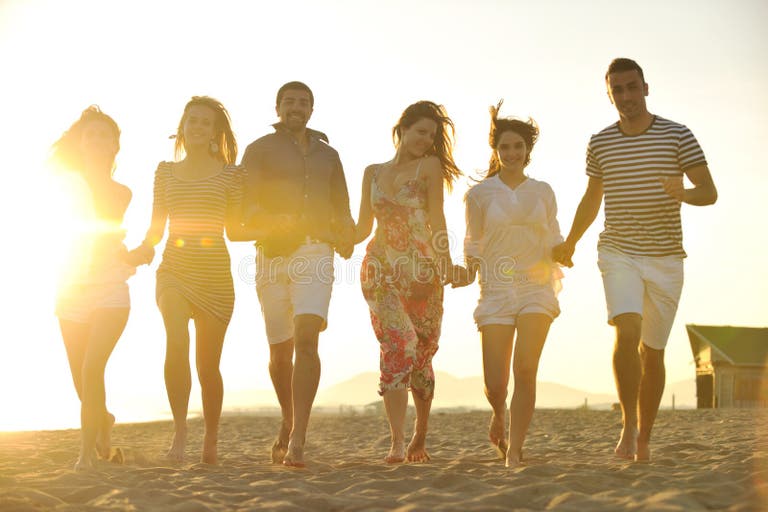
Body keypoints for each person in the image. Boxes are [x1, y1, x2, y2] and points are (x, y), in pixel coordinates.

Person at [553, 58, 718, 462]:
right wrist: (571, 241)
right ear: (609, 94)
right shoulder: (601, 143)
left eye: (632, 87)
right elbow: (593, 198)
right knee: (626, 332)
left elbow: (709, 192)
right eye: (617, 90)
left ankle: (645, 435)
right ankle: (628, 426)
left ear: (646, 87)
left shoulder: (678, 136)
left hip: (666, 258)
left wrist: (681, 193)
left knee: (653, 352)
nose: (625, 97)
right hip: (618, 250)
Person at [240, 81, 355, 468]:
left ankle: (299, 439)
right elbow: (245, 204)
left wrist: (345, 234)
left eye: (304, 102)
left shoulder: (329, 155)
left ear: (312, 109)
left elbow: (342, 204)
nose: (296, 107)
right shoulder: (258, 150)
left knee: (307, 340)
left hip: (316, 251)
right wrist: (272, 220)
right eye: (289, 101)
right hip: (271, 254)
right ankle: (288, 420)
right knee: (279, 352)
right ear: (277, 107)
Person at [452, 102, 563, 468]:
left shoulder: (543, 191)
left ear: (528, 150)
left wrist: (564, 252)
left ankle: (514, 450)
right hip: (496, 291)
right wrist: (467, 272)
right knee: (496, 383)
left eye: (518, 146)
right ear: (496, 151)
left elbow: (554, 237)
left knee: (526, 370)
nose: (512, 153)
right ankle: (498, 413)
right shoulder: (480, 195)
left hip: (536, 288)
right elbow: (474, 243)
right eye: (505, 147)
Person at [135, 96, 245, 464]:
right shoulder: (164, 172)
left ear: (215, 132)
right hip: (174, 270)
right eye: (191, 121)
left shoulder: (231, 174)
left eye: (204, 122)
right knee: (176, 341)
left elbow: (238, 229)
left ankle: (210, 440)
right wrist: (140, 251)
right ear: (182, 127)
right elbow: (155, 228)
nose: (197, 127)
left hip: (215, 275)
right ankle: (180, 431)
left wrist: (280, 224)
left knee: (207, 366)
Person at [355, 100, 461, 464]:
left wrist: (445, 261)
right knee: (399, 343)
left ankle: (420, 433)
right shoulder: (371, 172)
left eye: (431, 136)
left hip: (422, 271)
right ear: (402, 129)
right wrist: (329, 233)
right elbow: (360, 229)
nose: (426, 140)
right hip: (380, 268)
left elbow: (436, 217)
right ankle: (397, 441)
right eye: (420, 132)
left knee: (422, 353)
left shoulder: (428, 166)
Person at [52, 106, 146, 470]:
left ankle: (85, 455)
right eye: (89, 134)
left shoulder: (121, 191)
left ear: (114, 146)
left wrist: (134, 253)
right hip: (70, 287)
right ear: (80, 142)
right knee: (81, 380)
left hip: (110, 286)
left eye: (104, 135)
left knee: (92, 370)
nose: (96, 140)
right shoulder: (64, 183)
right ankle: (103, 421)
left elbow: (102, 230)